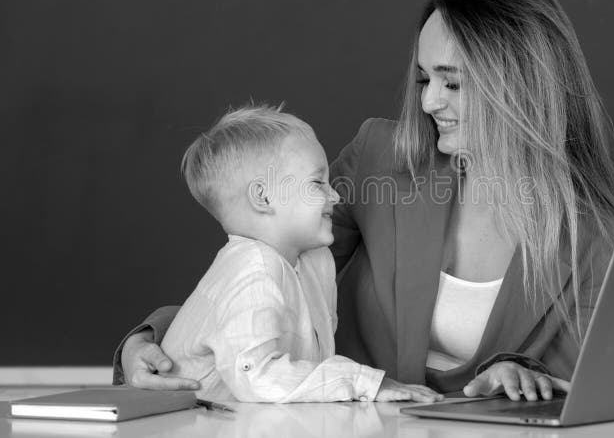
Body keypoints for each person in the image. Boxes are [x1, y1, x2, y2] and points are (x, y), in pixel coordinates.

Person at [114, 0, 614, 402]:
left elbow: (590, 387)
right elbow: (256, 273)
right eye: (423, 80)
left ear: (520, 85)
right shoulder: (379, 161)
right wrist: (150, 339)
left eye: (452, 83)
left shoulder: (590, 235)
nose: (429, 103)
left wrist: (522, 374)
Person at [153, 104, 441, 403]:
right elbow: (258, 377)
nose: (336, 195)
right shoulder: (253, 271)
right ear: (263, 197)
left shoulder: (310, 261)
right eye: (318, 183)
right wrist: (363, 382)